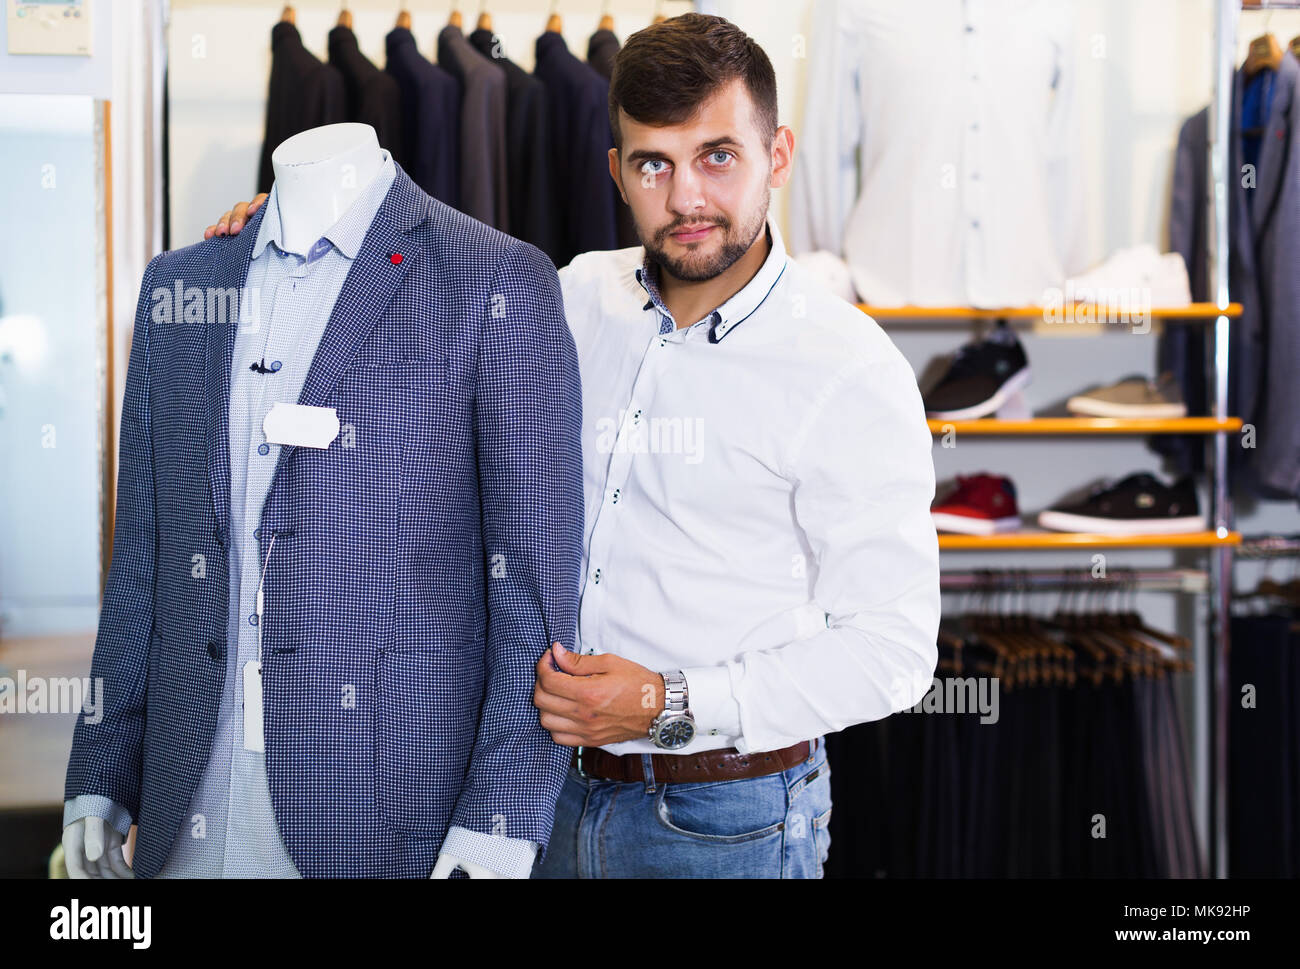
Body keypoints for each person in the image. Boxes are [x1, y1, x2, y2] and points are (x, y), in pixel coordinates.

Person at [204, 12, 939, 879]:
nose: (688, 197)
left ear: (777, 156)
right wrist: (307, 240)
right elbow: (407, 336)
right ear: (617, 171)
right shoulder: (567, 296)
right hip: (540, 795)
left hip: (722, 819)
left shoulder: (849, 369)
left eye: (718, 156)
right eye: (653, 164)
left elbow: (894, 651)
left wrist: (666, 703)